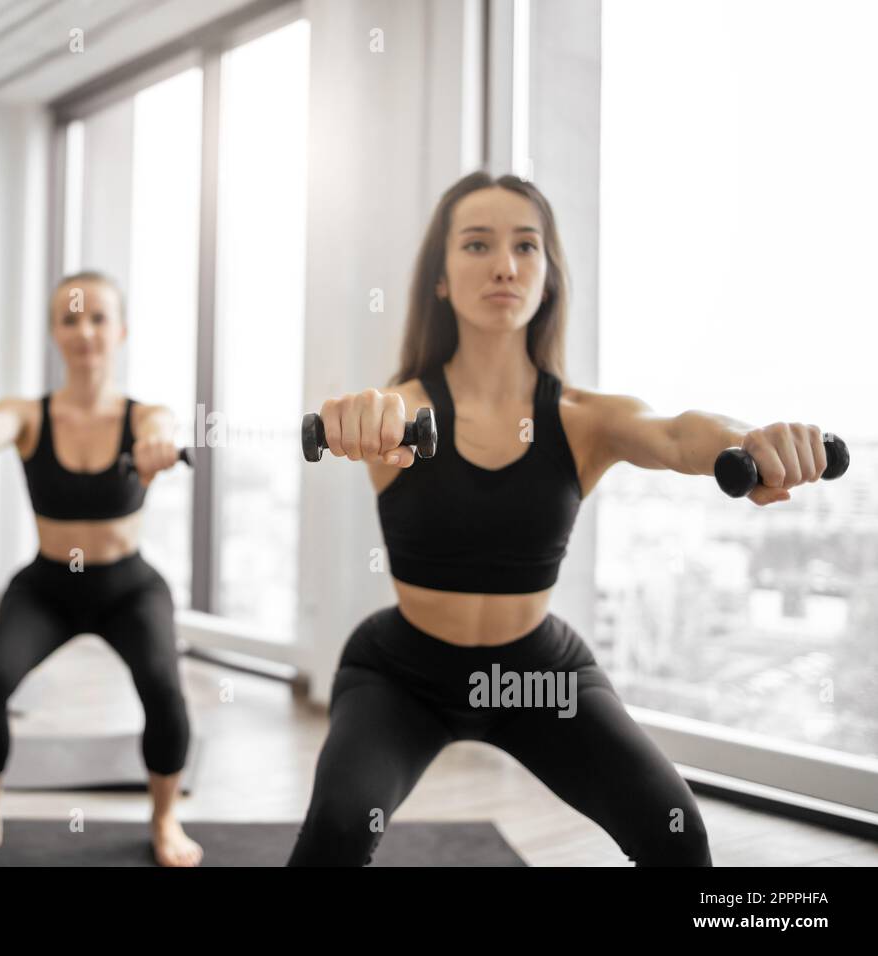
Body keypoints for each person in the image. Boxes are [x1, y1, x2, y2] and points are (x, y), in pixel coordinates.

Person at [288, 171, 830, 866]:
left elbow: (676, 434)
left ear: (548, 277)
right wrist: (353, 417)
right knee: (338, 827)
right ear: (442, 279)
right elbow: (372, 411)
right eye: (478, 245)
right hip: (402, 674)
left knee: (676, 832)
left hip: (536, 677)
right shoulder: (405, 410)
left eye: (527, 247)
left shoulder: (585, 420)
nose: (506, 265)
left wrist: (750, 442)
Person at [0, 272, 201, 867]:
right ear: (55, 332)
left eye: (98, 317)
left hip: (128, 587)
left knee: (163, 687)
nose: (84, 331)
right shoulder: (27, 414)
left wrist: (158, 446)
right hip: (48, 587)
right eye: (70, 318)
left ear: (120, 330)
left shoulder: (144, 415)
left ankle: (164, 818)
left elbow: (162, 428)